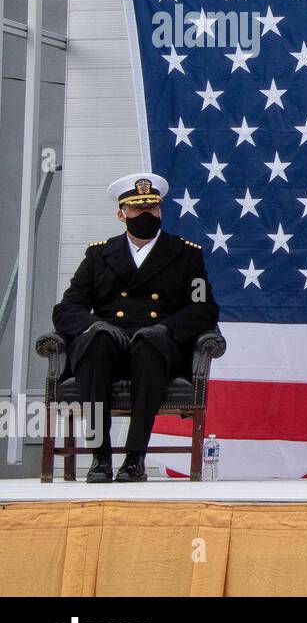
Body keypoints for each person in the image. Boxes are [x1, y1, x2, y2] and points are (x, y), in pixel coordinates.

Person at [51, 173, 219, 483]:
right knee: (95, 344)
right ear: (121, 214)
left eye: (152, 209)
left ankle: (134, 458)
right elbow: (67, 308)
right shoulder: (98, 255)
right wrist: (97, 325)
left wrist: (166, 329)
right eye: (138, 210)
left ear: (160, 211)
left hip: (157, 345)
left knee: (149, 346)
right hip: (110, 346)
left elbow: (203, 308)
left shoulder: (186, 254)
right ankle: (100, 457)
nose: (146, 215)